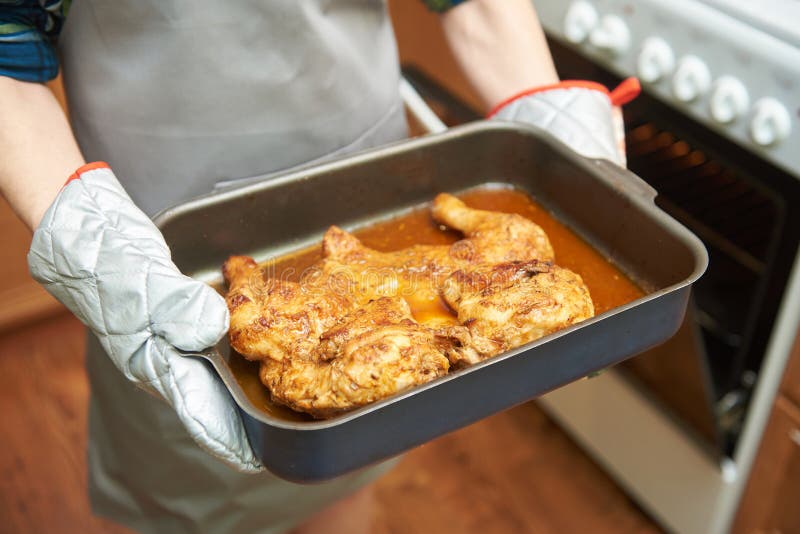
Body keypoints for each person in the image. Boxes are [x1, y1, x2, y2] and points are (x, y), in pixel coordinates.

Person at [0, 0, 636, 532]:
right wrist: (88, 237)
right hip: (160, 237)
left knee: (350, 461)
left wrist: (539, 104)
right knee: (185, 479)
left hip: (375, 187)